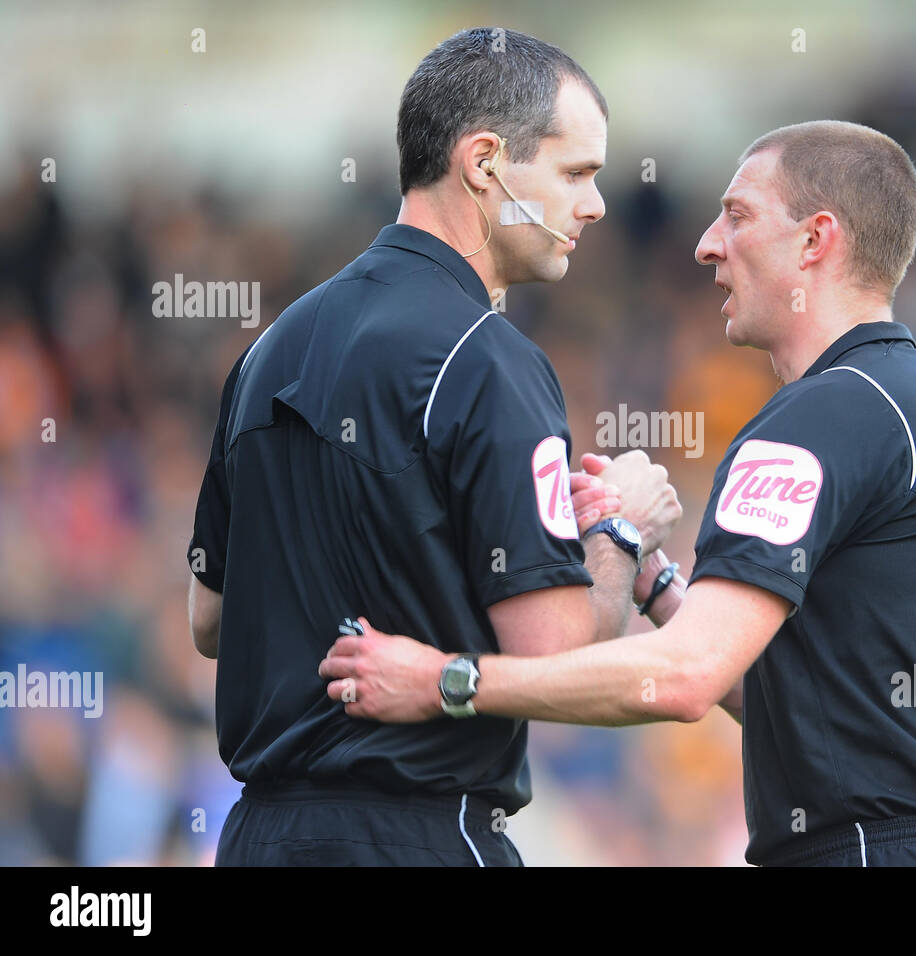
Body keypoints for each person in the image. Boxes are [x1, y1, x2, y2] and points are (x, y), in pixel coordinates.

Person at [320, 120, 916, 867]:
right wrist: (654, 578)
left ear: (816, 241)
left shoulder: (821, 415)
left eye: (740, 215)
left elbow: (687, 678)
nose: (706, 244)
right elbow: (809, 708)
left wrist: (446, 680)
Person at [186, 27, 680, 867]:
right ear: (485, 163)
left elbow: (209, 620)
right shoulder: (489, 359)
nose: (595, 205)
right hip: (422, 833)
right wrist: (621, 536)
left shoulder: (269, 350)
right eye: (576, 173)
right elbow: (554, 661)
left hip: (257, 838)